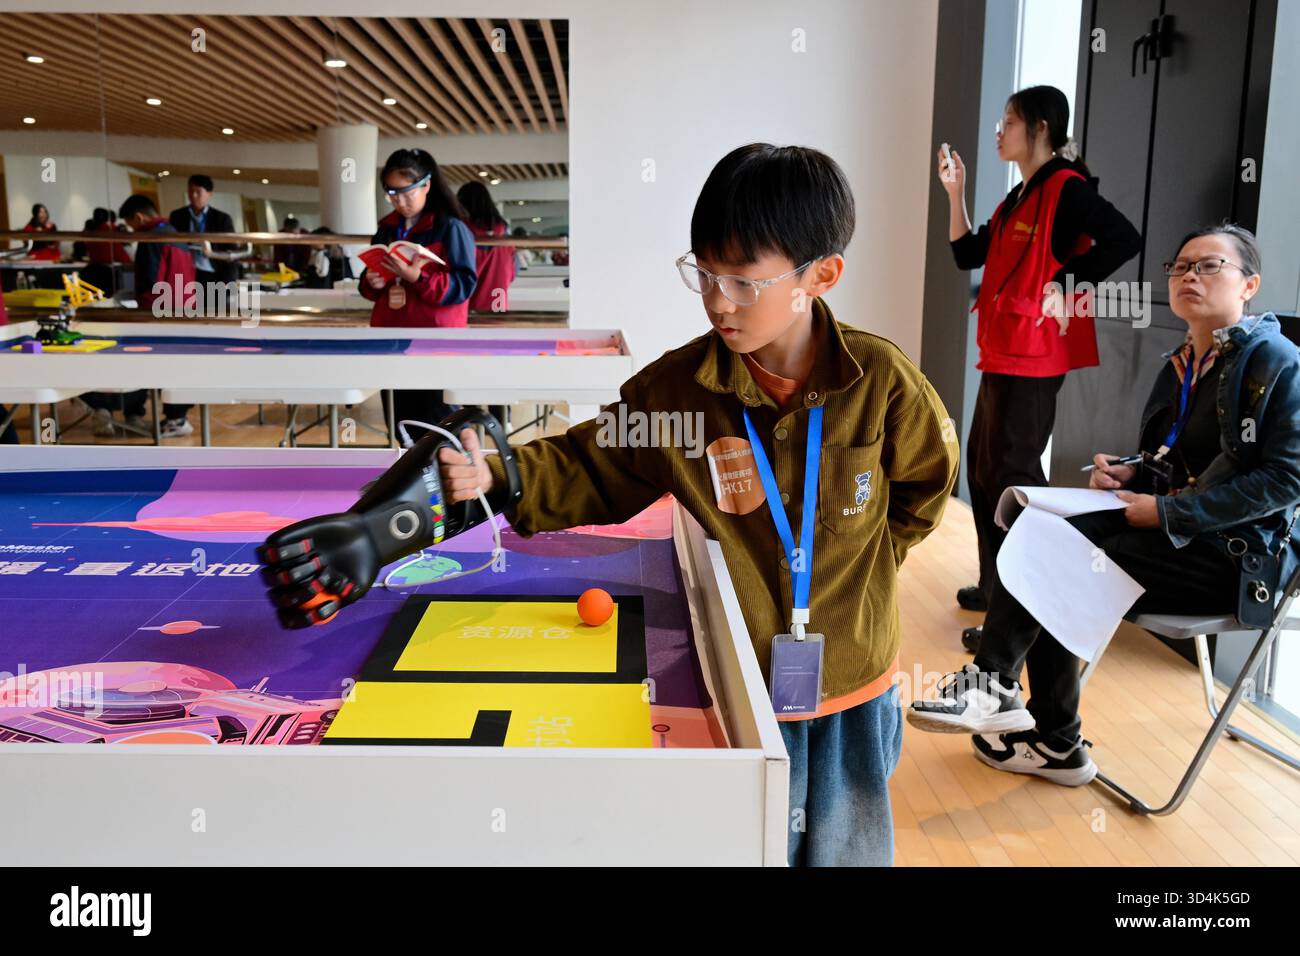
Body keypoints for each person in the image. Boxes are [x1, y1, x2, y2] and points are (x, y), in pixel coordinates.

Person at [433, 144, 959, 864]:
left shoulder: (882, 382)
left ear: (822, 275)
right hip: (731, 684)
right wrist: (499, 471)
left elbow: (926, 487)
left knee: (846, 854)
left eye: (743, 281)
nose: (717, 301)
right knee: (738, 846)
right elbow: (591, 460)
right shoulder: (678, 391)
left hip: (850, 689)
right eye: (705, 274)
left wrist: (863, 568)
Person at [907, 224, 1300, 786]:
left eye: (1210, 266)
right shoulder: (1185, 362)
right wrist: (1133, 471)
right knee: (1040, 522)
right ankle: (1038, 726)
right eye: (1181, 265)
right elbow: (1175, 461)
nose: (1189, 274)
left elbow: (1287, 480)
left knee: (1068, 556)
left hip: (1239, 563)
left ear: (1249, 285)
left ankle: (1025, 713)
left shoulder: (1276, 361)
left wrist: (1167, 513)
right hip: (1182, 541)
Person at [940, 85, 1140, 653]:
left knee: (1014, 481)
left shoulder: (1066, 188)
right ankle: (995, 583)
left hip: (1033, 359)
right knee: (983, 476)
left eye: (1009, 121)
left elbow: (1125, 238)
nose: (999, 131)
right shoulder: (1018, 196)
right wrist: (954, 193)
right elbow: (966, 254)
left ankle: (1018, 613)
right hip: (1003, 354)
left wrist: (1067, 284)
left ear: (1042, 128)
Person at [359, 147, 477, 429]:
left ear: (426, 185)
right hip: (392, 335)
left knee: (438, 420)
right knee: (401, 418)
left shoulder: (451, 227)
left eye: (406, 192)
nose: (399, 201)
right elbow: (369, 284)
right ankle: (409, 471)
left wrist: (418, 278)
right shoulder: (386, 228)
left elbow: (464, 285)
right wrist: (371, 282)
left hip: (434, 338)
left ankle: (444, 471)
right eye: (391, 193)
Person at [113, 193, 197, 438]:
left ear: (138, 218)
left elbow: (150, 280)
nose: (133, 232)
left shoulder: (152, 239)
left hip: (159, 312)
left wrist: (140, 311)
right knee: (177, 367)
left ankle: (165, 418)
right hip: (183, 307)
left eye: (131, 226)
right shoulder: (175, 234)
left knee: (150, 366)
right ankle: (177, 417)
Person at [169, 174, 238, 296]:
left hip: (213, 274)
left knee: (212, 312)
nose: (193, 195)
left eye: (198, 192)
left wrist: (229, 279)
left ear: (209, 194)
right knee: (186, 313)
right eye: (190, 191)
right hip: (185, 272)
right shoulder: (177, 216)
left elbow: (231, 250)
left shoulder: (222, 219)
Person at [457, 181, 516, 313]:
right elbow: (512, 272)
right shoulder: (504, 232)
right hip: (498, 302)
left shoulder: (462, 230)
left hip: (468, 305)